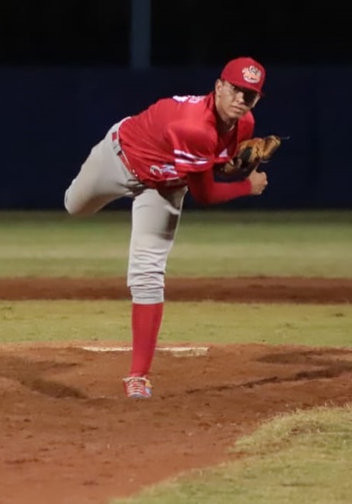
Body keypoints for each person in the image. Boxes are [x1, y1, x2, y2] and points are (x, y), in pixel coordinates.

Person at [64, 57, 271, 399]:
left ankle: (138, 377)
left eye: (250, 95)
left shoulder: (245, 124)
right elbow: (205, 193)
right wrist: (248, 186)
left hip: (165, 185)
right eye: (235, 89)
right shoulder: (195, 127)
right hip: (120, 158)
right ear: (218, 86)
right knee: (74, 206)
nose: (240, 100)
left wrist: (229, 163)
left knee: (147, 273)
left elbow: (212, 164)